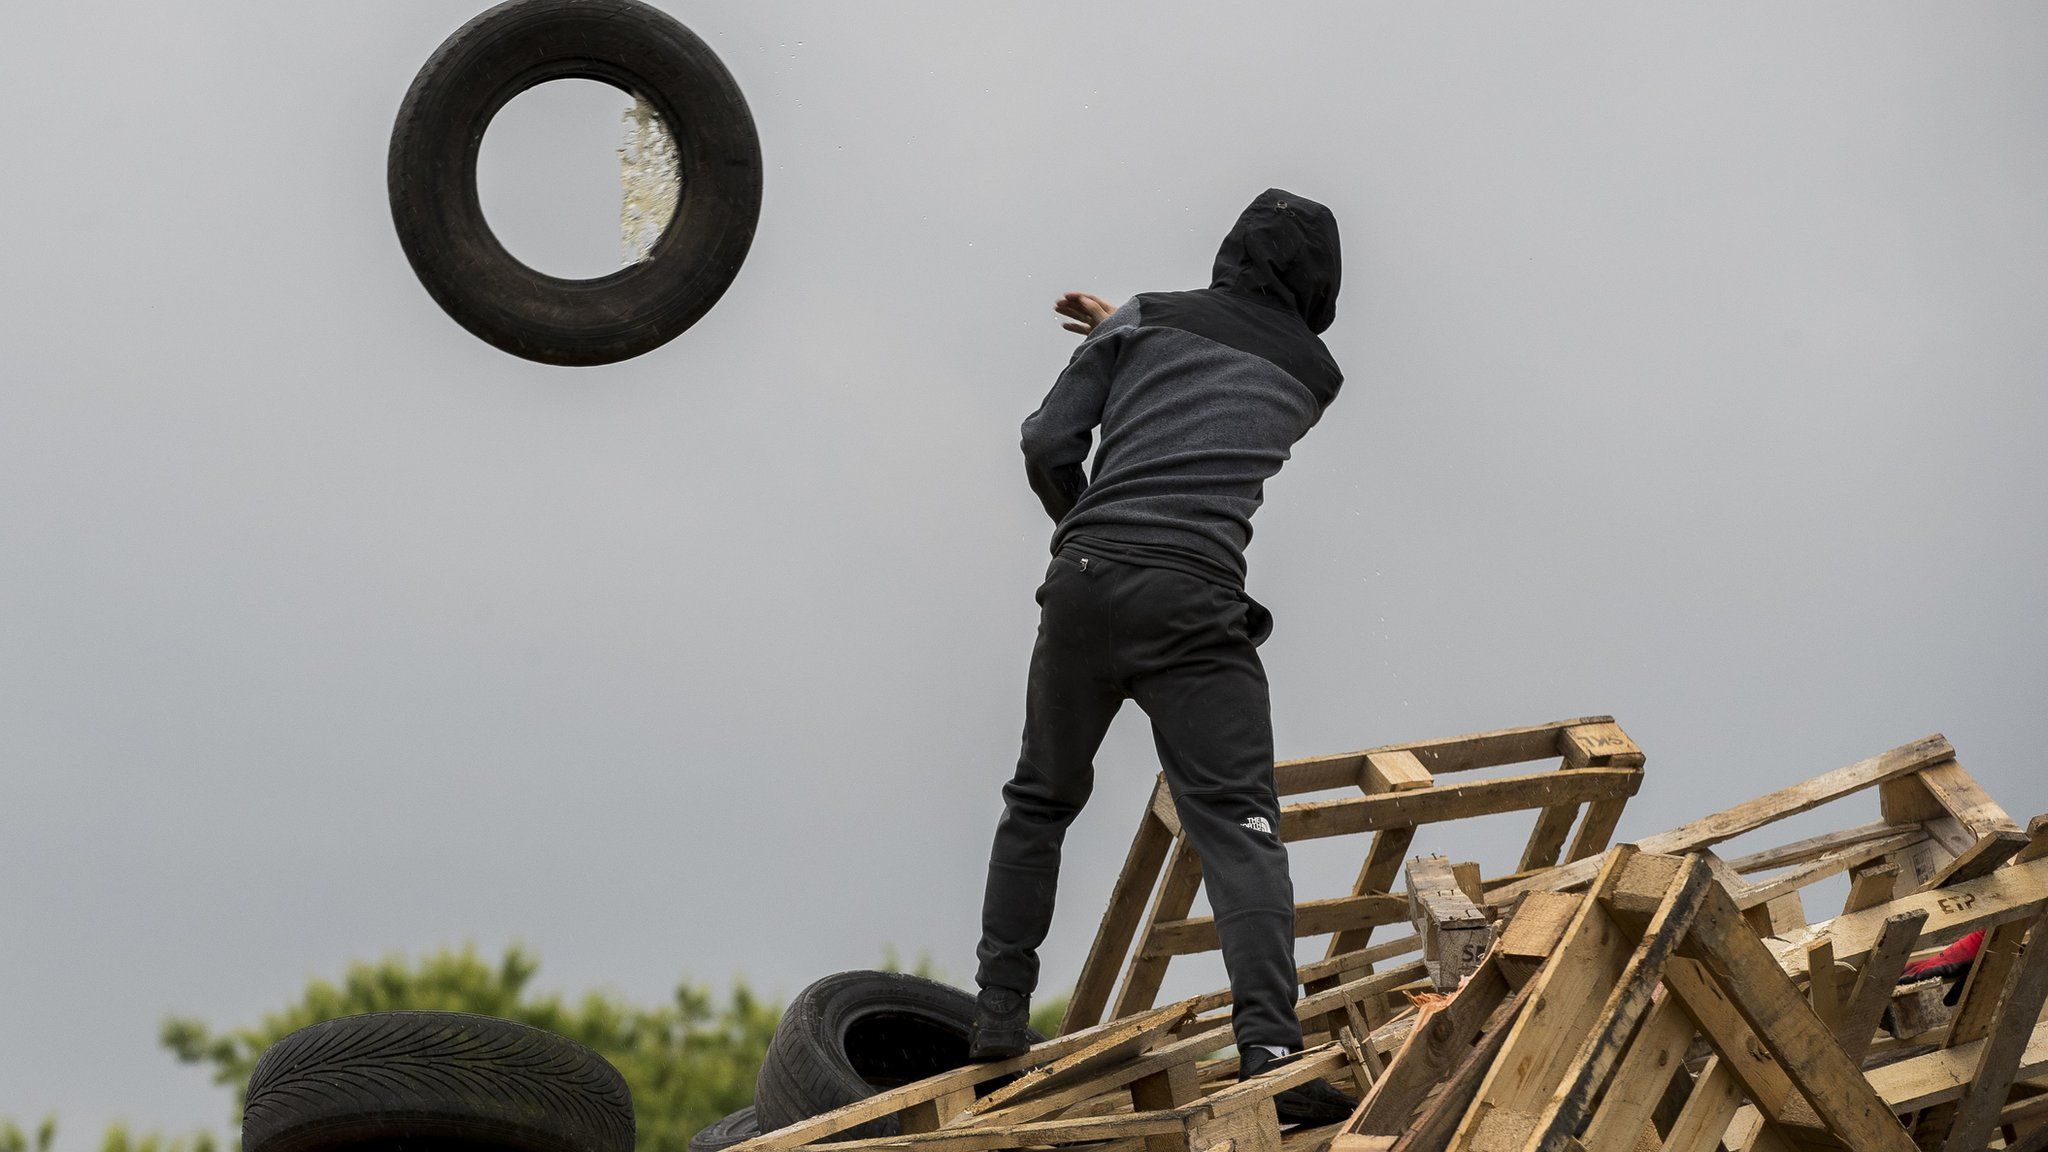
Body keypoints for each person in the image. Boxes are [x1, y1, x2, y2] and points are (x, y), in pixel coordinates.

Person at [969, 189, 1357, 1125]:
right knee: (1236, 821)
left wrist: (1116, 342)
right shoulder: (1316, 377)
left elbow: (1046, 439)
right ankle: (1271, 1050)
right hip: (1193, 602)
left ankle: (995, 1026)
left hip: (1086, 580)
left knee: (1040, 800)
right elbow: (1219, 383)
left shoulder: (1148, 317)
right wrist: (1134, 333)